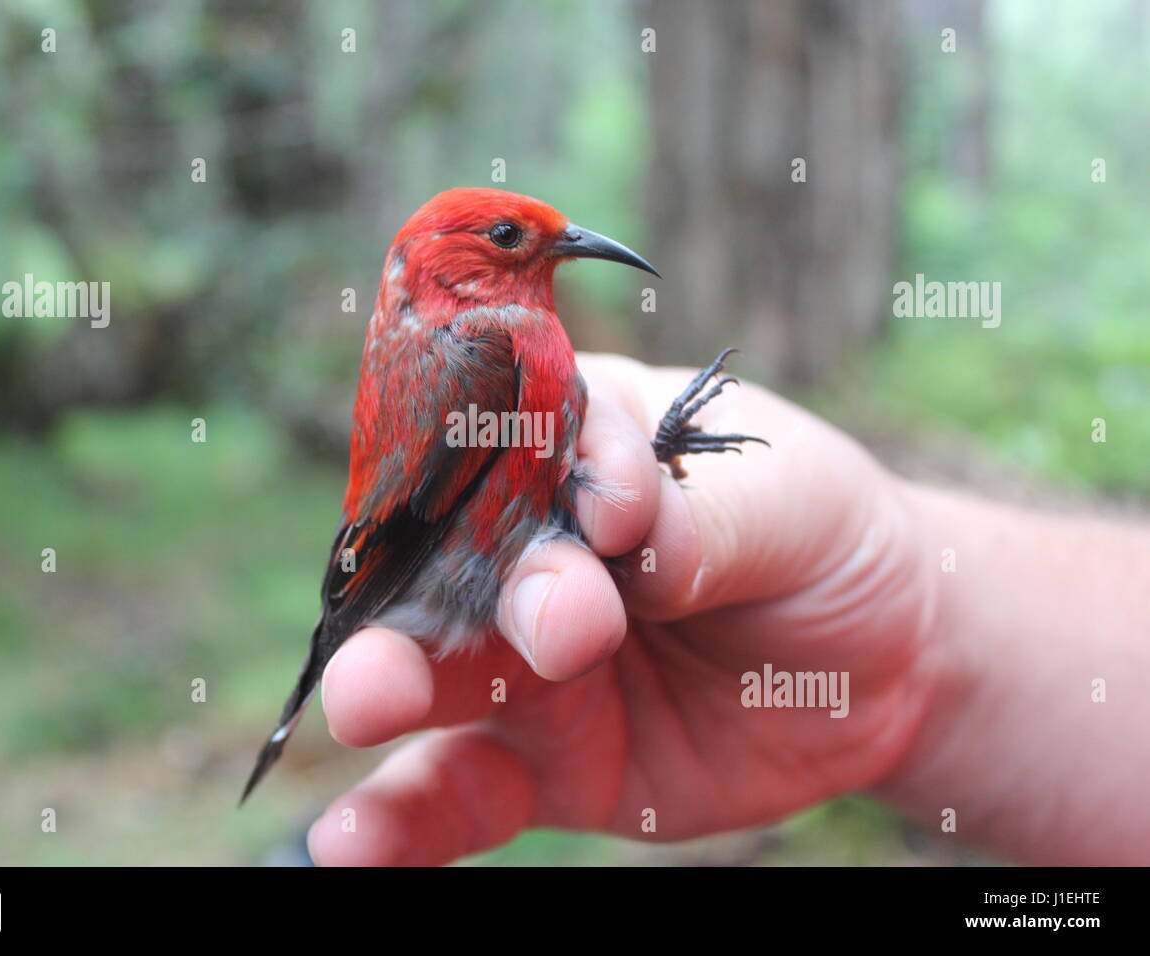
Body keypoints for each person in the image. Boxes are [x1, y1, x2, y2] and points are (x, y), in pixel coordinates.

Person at [303, 353, 1150, 866]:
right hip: (454, 581)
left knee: (596, 537)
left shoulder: (529, 358)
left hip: (550, 583)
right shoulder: (473, 360)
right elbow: (410, 519)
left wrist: (921, 634)